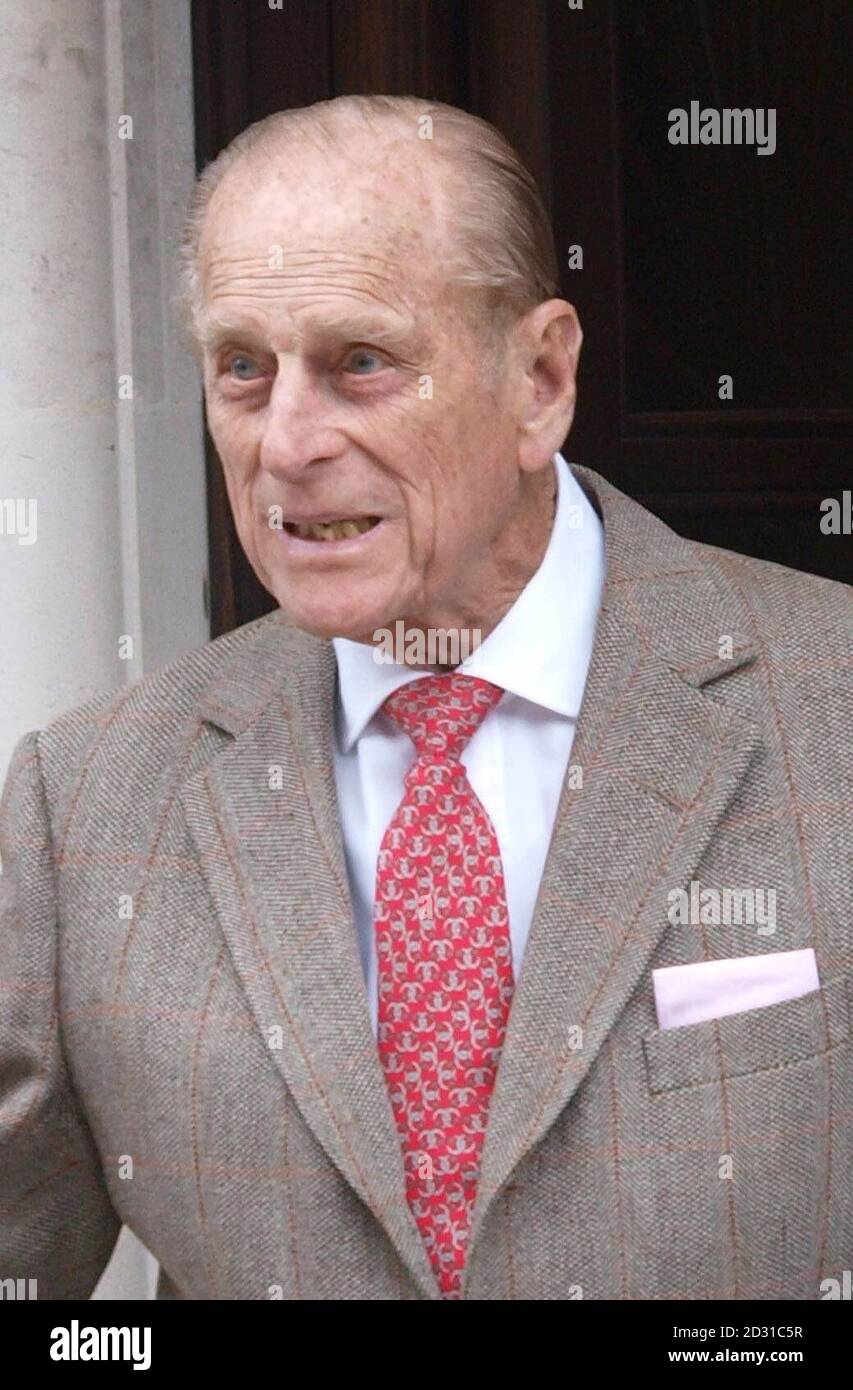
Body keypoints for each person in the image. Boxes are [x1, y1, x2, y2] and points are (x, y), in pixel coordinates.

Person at [1, 95, 850, 1301]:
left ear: (540, 379)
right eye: (242, 367)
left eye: (360, 362)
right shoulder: (82, 801)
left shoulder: (834, 709)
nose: (287, 441)